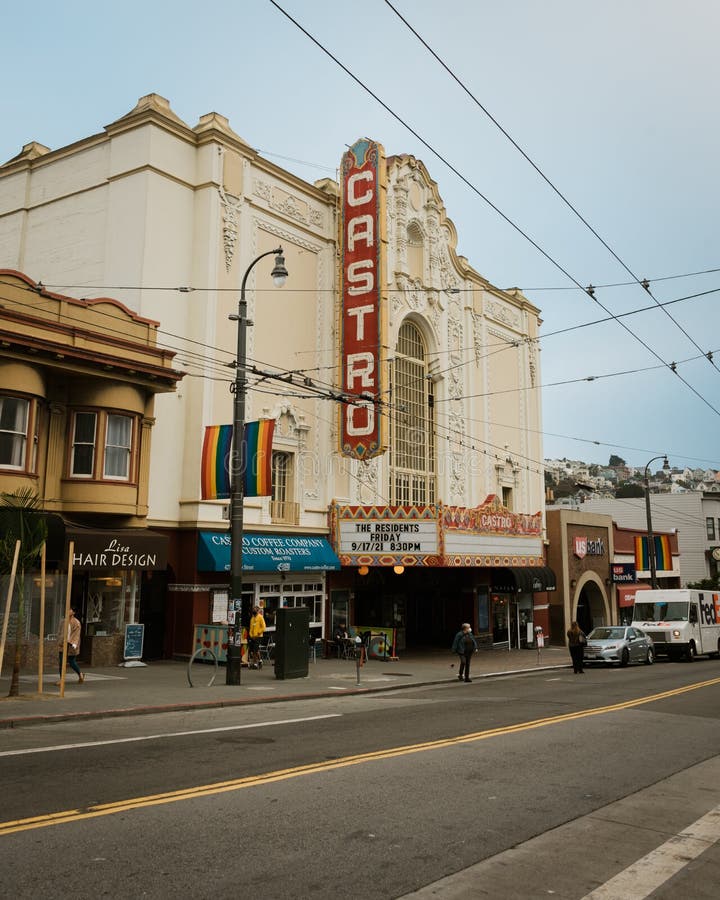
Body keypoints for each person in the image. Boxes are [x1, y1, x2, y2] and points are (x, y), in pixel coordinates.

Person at [56, 605, 84, 685]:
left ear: (73, 612)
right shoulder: (63, 621)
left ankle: (80, 674)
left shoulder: (76, 623)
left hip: (71, 645)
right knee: (61, 662)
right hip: (63, 643)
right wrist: (59, 640)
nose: (68, 611)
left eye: (70, 610)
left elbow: (76, 634)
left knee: (71, 661)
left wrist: (74, 643)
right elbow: (59, 632)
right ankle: (62, 679)